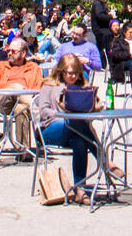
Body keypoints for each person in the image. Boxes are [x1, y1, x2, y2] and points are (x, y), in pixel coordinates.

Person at [37, 55, 123, 204]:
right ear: (61, 71)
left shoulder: (82, 87)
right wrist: (63, 113)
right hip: (51, 128)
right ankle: (105, 161)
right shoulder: (49, 85)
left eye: (76, 73)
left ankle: (80, 190)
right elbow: (44, 111)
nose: (73, 76)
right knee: (73, 121)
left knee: (79, 142)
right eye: (69, 73)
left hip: (75, 131)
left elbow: (88, 113)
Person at [0, 37, 43, 152]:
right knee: (16, 87)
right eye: (8, 50)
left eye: (13, 51)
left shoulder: (33, 67)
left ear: (23, 53)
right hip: (3, 103)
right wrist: (14, 87)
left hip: (24, 103)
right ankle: (40, 118)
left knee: (20, 109)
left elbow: (38, 87)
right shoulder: (0, 65)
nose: (9, 53)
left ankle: (23, 150)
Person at [108, 22, 132, 90]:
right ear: (124, 32)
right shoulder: (119, 42)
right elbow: (116, 54)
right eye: (130, 32)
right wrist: (129, 55)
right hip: (124, 62)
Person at [90, 0, 113, 64]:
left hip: (101, 29)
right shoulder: (97, 4)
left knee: (101, 46)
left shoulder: (99, 4)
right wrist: (109, 17)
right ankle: (103, 63)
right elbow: (99, 15)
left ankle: (102, 62)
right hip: (100, 29)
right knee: (103, 46)